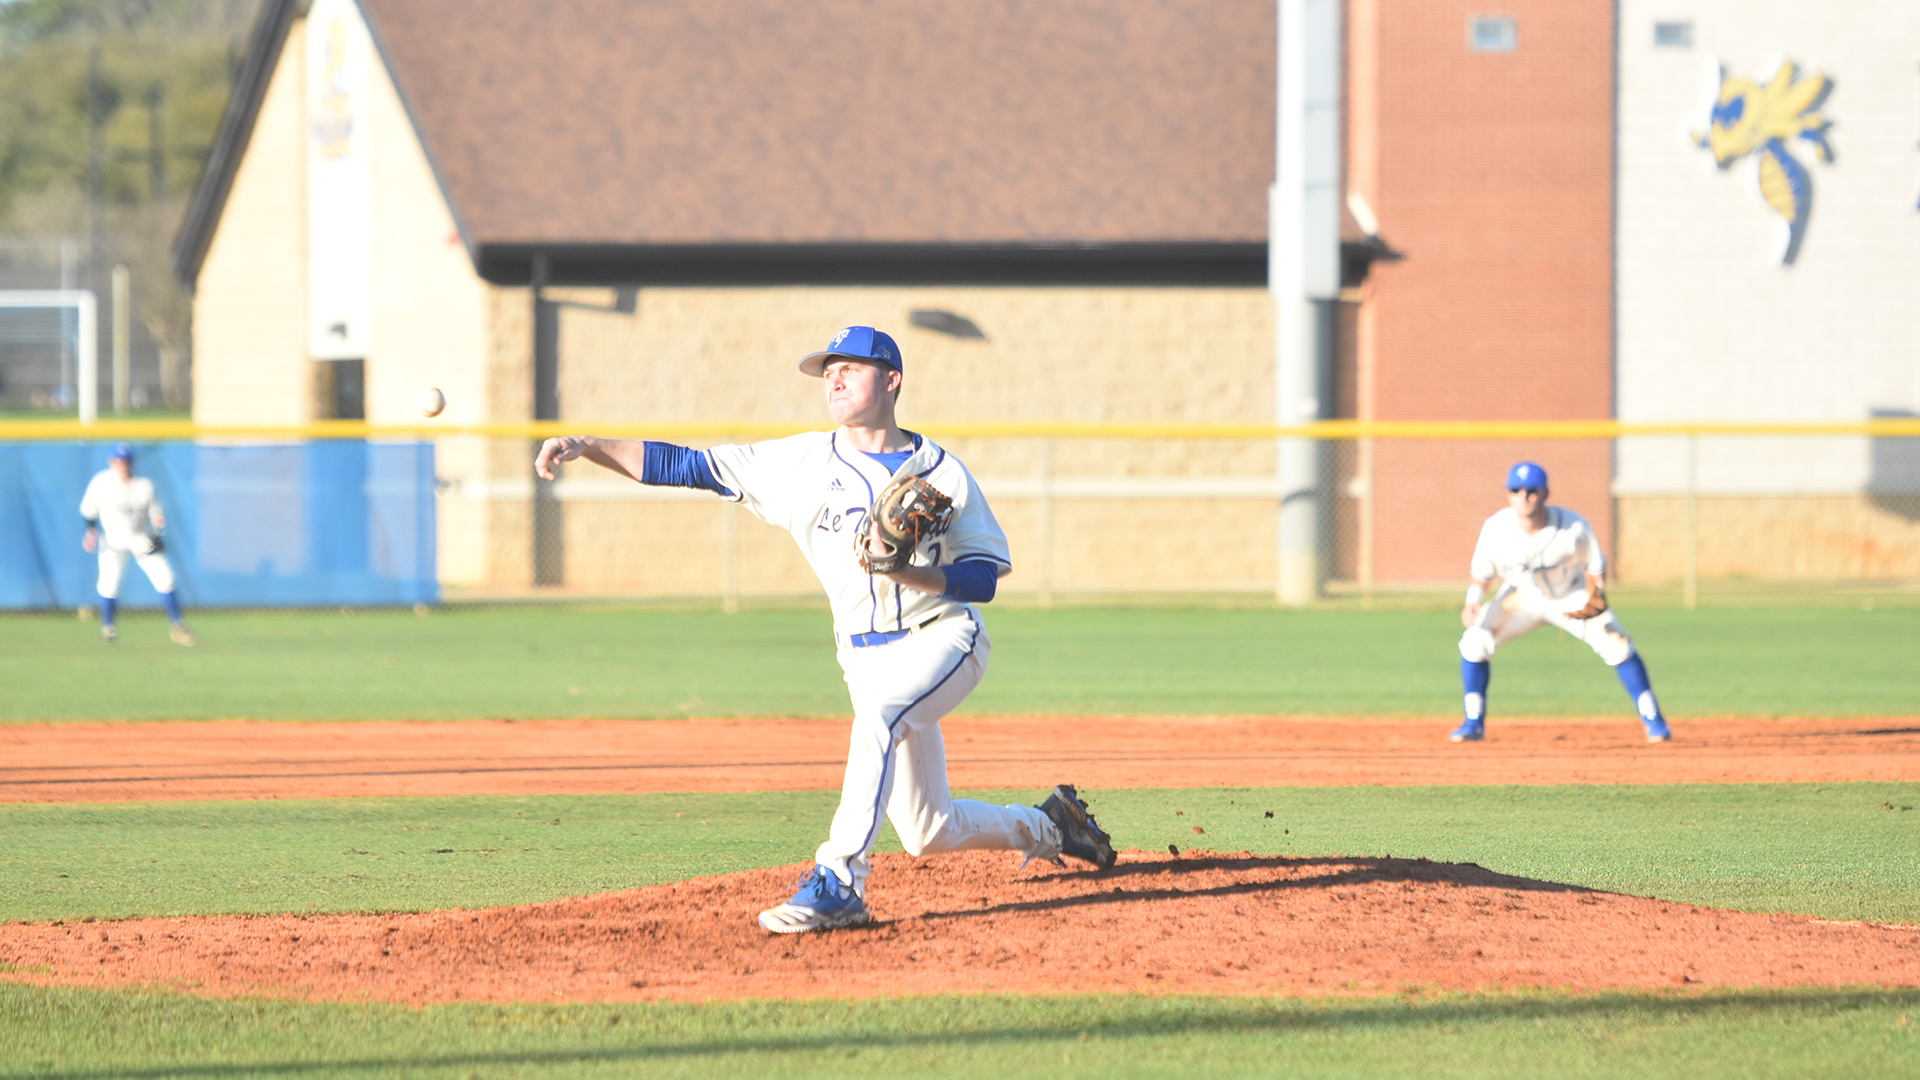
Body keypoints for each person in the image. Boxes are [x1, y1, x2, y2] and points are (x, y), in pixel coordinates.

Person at [532, 325, 1115, 933]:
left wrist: (914, 575)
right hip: (862, 659)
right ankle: (1053, 826)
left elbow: (984, 578)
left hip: (944, 636)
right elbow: (682, 464)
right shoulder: (800, 462)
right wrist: (587, 444)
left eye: (851, 367)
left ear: (891, 380)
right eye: (827, 370)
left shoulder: (941, 472)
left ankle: (840, 881)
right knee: (927, 830)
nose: (833, 377)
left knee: (881, 718)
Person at [1452, 461, 1670, 744]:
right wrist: (1473, 602)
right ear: (1508, 494)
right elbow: (1482, 573)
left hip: (1570, 595)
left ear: (1545, 493)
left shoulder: (1573, 527)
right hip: (1522, 596)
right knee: (1474, 640)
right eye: (1516, 490)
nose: (1524, 496)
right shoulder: (1496, 527)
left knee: (1617, 644)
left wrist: (1597, 597)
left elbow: (1595, 567)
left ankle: (1653, 719)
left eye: (1531, 490)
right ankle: (1473, 722)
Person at [80, 443, 194, 646]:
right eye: (119, 461)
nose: (123, 465)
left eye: (127, 461)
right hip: (113, 540)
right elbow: (89, 510)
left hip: (140, 539)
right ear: (111, 462)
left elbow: (157, 515)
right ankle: (109, 628)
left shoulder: (145, 486)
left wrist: (159, 529)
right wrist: (90, 531)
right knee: (109, 585)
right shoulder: (101, 483)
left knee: (166, 578)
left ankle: (178, 626)